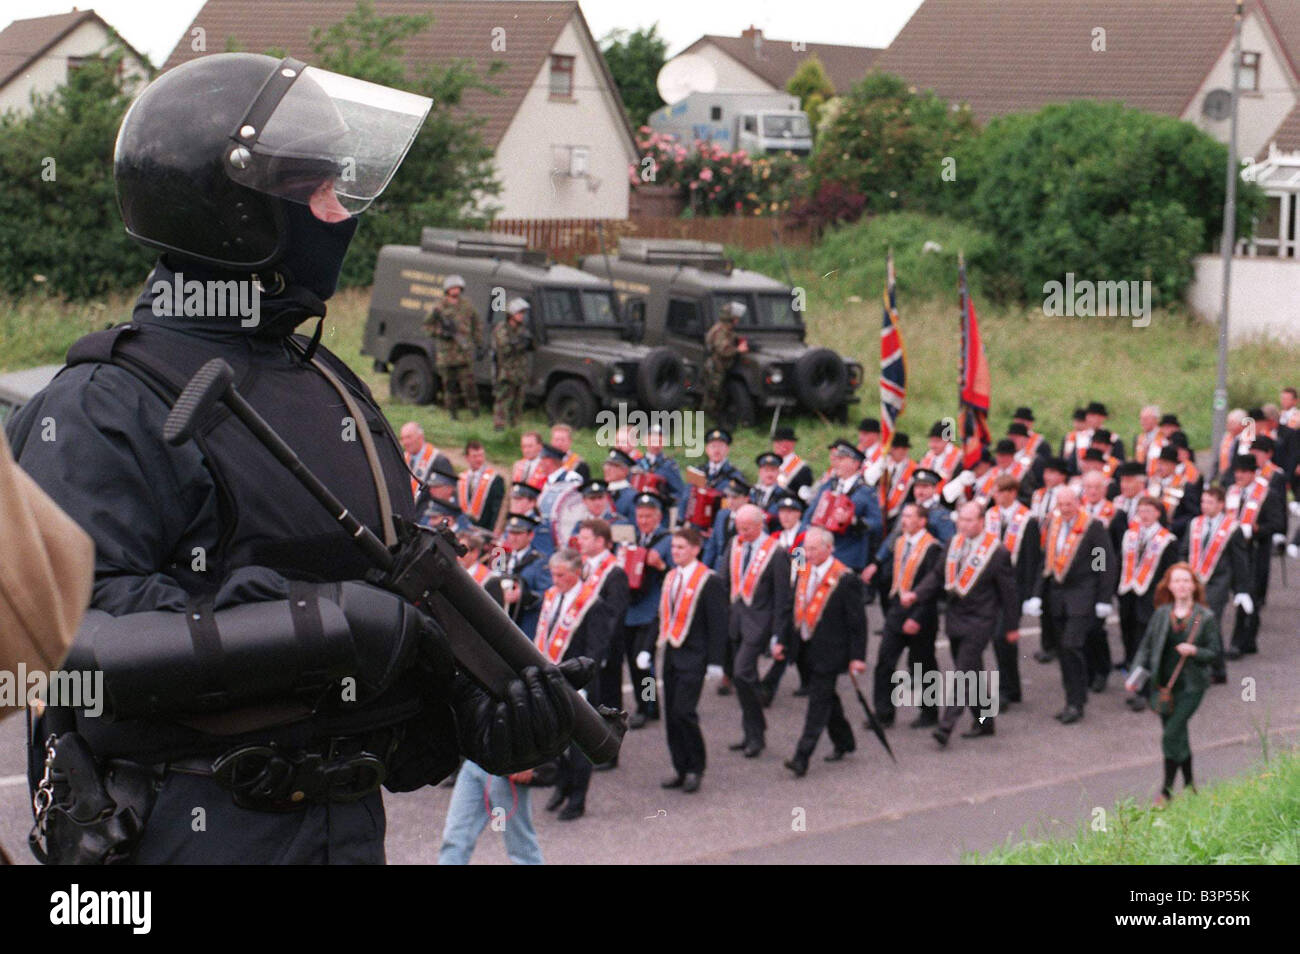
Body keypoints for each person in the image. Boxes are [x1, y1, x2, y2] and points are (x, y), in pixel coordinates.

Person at [10, 53, 582, 864]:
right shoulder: (104, 403)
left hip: (344, 835)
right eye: (314, 188)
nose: (339, 211)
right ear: (231, 211)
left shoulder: (331, 388)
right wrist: (328, 623)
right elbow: (70, 650)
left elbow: (394, 615)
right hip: (178, 835)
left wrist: (465, 712)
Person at [911, 501, 1020, 746]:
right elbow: (937, 575)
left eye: (970, 520)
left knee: (963, 672)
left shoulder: (997, 551)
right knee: (973, 672)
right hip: (955, 617)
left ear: (981, 522)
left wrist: (1012, 626)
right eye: (961, 519)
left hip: (981, 619)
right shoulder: (953, 544)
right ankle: (985, 721)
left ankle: (946, 726)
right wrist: (917, 594)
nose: (964, 524)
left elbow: (1009, 593)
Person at [636, 526, 728, 793]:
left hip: (696, 656)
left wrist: (716, 661)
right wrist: (646, 648)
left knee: (685, 712)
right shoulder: (671, 577)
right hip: (672, 655)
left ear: (695, 549)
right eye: (673, 547)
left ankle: (696, 768)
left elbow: (718, 624)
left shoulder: (708, 580)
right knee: (671, 716)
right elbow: (661, 616)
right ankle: (680, 767)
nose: (675, 552)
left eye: (681, 548)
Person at [776, 527, 868, 776]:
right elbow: (790, 605)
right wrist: (781, 640)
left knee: (817, 703)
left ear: (829, 548)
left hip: (830, 651)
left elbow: (857, 623)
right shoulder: (803, 568)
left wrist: (857, 657)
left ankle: (801, 756)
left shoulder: (845, 578)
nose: (809, 553)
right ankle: (844, 741)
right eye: (806, 548)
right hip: (804, 647)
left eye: (814, 548)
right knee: (827, 698)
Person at [1127, 564, 1221, 805]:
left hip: (1191, 686)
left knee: (1171, 735)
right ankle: (1190, 787)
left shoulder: (1204, 617)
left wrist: (1195, 651)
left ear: (1193, 586)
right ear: (1169, 586)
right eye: (1176, 581)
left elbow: (1214, 652)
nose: (1181, 586)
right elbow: (1146, 646)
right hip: (1164, 686)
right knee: (1179, 736)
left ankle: (1166, 790)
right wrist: (1135, 676)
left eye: (1186, 581)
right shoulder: (1161, 614)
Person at [535, 548, 616, 822]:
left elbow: (596, 650)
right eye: (553, 574)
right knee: (555, 740)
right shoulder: (551, 596)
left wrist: (582, 682)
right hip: (552, 679)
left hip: (578, 683)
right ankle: (562, 785)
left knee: (580, 745)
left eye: (561, 575)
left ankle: (577, 799)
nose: (555, 579)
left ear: (575, 573)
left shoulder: (593, 604)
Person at [1024, 486, 1116, 724]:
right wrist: (1036, 594)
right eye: (1060, 504)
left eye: (1068, 504)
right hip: (1057, 598)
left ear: (1078, 502)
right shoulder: (1054, 525)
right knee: (1064, 651)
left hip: (1082, 597)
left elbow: (1102, 563)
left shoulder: (1092, 527)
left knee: (1071, 646)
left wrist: (1103, 599)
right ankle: (1073, 698)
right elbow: (1046, 562)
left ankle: (1076, 702)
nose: (1064, 509)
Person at [717, 504, 791, 758]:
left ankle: (756, 733)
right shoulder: (734, 544)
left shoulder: (776, 552)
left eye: (747, 528)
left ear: (760, 525)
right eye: (739, 527)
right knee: (744, 678)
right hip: (736, 620)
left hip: (760, 622)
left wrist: (779, 635)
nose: (742, 532)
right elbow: (724, 580)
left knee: (742, 672)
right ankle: (752, 731)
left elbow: (783, 598)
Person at [865, 503, 943, 728]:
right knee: (885, 662)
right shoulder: (900, 543)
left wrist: (917, 617)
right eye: (904, 516)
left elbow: (932, 587)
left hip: (921, 614)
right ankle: (883, 713)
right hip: (897, 611)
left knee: (921, 665)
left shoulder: (932, 548)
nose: (904, 520)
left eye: (910, 516)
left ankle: (929, 713)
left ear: (922, 521)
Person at [1179, 485, 1250, 686]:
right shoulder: (1195, 524)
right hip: (1195, 581)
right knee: (1194, 622)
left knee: (1209, 623)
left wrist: (1242, 590)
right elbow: (1184, 550)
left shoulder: (1232, 528)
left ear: (1220, 505)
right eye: (1203, 502)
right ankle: (1213, 667)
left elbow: (1240, 561)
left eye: (1210, 502)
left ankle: (1211, 667)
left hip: (1218, 581)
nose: (1205, 506)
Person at [577, 518, 632, 770]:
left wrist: (604, 650)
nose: (580, 541)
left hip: (607, 647)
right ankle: (594, 747)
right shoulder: (585, 565)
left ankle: (612, 752)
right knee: (593, 699)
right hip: (589, 644)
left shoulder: (615, 571)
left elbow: (615, 614)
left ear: (600, 541)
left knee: (609, 700)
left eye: (585, 537)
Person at [1115, 496, 1179, 706]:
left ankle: (1147, 690)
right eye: (1141, 511)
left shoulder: (1167, 540)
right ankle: (1135, 684)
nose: (1144, 515)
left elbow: (1170, 574)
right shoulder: (1130, 536)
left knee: (1148, 644)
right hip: (1129, 596)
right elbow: (1118, 562)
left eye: (1148, 511)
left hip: (1152, 599)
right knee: (1130, 640)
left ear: (1158, 513)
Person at [619, 493, 673, 729]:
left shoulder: (667, 540)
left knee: (644, 661)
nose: (643, 520)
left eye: (648, 516)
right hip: (631, 609)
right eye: (640, 516)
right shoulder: (633, 537)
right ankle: (646, 703)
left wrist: (660, 565)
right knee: (632, 661)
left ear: (658, 516)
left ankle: (649, 706)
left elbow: (675, 573)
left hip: (652, 609)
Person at [986, 476, 1041, 706]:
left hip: (1014, 588)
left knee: (1003, 636)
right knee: (999, 640)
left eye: (999, 492)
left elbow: (1031, 559)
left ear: (1011, 493)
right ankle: (1013, 688)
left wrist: (1030, 594)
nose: (995, 496)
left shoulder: (1027, 519)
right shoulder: (990, 516)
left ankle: (1007, 690)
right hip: (991, 588)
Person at [1223, 454, 1284, 658]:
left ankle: (1238, 642)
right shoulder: (1231, 493)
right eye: (1237, 471)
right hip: (1234, 552)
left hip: (1255, 551)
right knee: (1245, 596)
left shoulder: (1267, 494)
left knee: (1248, 595)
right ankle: (1249, 640)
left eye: (1243, 472)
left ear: (1253, 473)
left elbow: (1277, 523)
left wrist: (1258, 529)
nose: (1238, 475)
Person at [437, 758, 545, 865]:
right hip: (474, 762)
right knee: (455, 836)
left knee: (520, 844)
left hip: (506, 766)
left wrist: (528, 763)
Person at [803, 439, 884, 572]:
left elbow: (877, 524)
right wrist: (801, 552)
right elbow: (808, 516)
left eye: (841, 459)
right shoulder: (828, 486)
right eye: (836, 459)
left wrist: (852, 520)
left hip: (848, 557)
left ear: (855, 463)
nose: (836, 463)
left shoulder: (866, 491)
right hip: (819, 556)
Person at [425, 273, 483, 418]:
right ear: (447, 290)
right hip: (446, 355)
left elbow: (477, 324)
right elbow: (427, 326)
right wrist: (440, 332)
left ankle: (475, 412)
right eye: (453, 287)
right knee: (449, 387)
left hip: (464, 354)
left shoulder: (467, 305)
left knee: (469, 386)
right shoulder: (439, 307)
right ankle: (453, 414)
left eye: (458, 287)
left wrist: (479, 343)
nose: (455, 290)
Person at [487, 512, 552, 639]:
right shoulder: (500, 555)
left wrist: (523, 596)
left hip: (523, 626)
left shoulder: (539, 561)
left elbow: (547, 595)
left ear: (530, 535)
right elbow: (491, 581)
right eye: (510, 533)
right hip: (498, 621)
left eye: (518, 534)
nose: (513, 538)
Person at [702, 300, 748, 422]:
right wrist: (738, 350)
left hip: (720, 367)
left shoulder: (726, 329)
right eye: (736, 318)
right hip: (716, 367)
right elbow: (723, 350)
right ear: (731, 318)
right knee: (714, 394)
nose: (738, 320)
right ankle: (709, 419)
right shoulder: (720, 330)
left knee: (718, 393)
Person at [492, 297, 532, 430]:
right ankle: (499, 426)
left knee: (518, 403)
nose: (522, 316)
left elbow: (531, 347)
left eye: (523, 313)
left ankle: (515, 429)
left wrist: (529, 342)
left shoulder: (523, 329)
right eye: (519, 313)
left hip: (520, 373)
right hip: (507, 372)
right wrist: (520, 343)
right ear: (512, 314)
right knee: (503, 400)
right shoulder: (502, 328)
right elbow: (505, 348)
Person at [638, 424, 687, 519]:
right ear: (645, 441)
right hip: (639, 513)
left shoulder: (669, 466)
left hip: (660, 514)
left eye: (659, 441)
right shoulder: (637, 463)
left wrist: (662, 496)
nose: (656, 445)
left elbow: (680, 493)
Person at [459, 440, 505, 531]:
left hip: (483, 530)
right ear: (467, 458)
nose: (479, 459)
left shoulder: (495, 479)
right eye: (474, 456)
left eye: (481, 455)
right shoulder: (461, 479)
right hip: (463, 530)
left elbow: (496, 511)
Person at [399, 421, 447, 498]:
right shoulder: (402, 459)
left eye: (408, 437)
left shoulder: (439, 460)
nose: (405, 442)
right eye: (402, 438)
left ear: (420, 437)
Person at [773, 425, 816, 501]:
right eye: (775, 441)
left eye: (780, 441)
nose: (777, 445)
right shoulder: (772, 464)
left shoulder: (802, 468)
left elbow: (804, 496)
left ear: (791, 443)